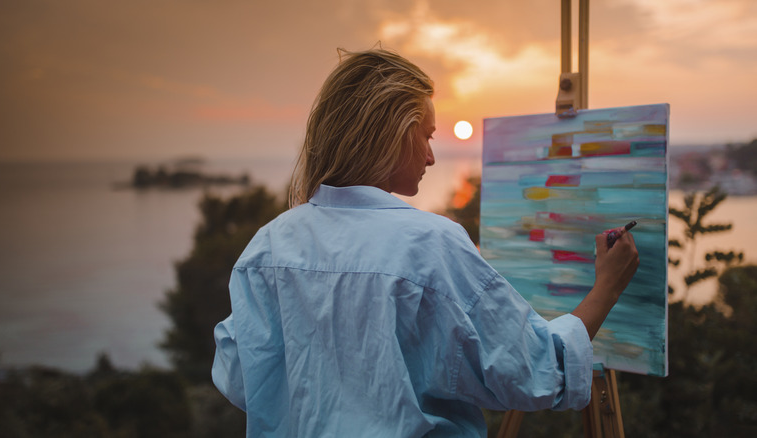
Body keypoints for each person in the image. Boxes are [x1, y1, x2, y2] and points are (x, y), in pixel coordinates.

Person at [212, 48, 639, 437]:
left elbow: (238, 375)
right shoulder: (429, 246)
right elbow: (537, 370)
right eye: (428, 135)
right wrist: (608, 287)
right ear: (392, 133)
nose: (432, 157)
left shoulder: (267, 248)